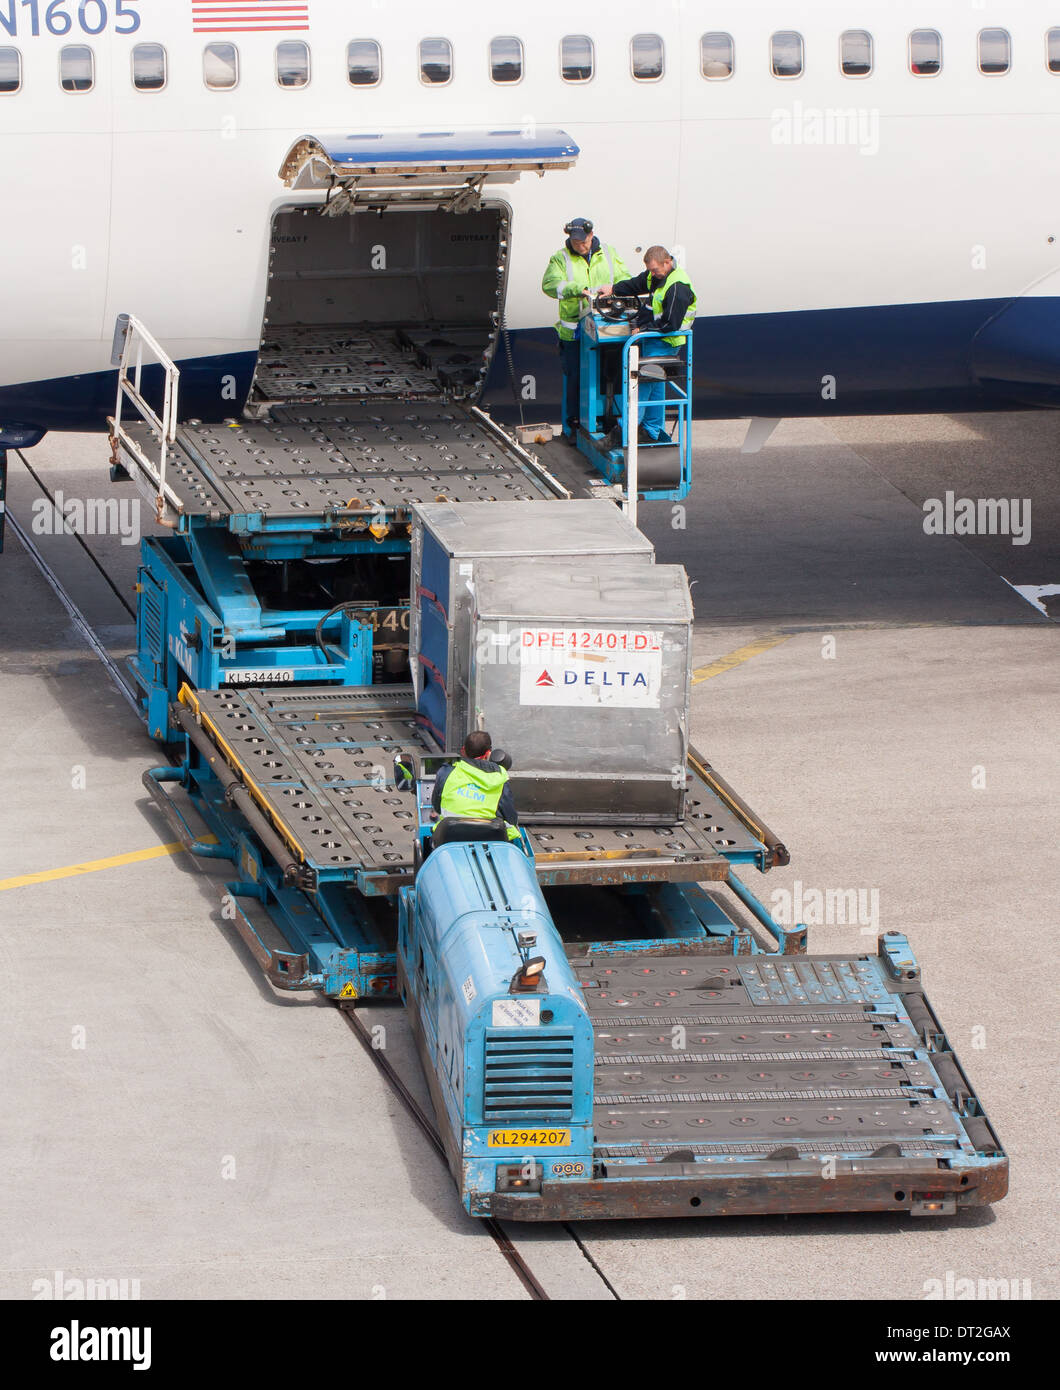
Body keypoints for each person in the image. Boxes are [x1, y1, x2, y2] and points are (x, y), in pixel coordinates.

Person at [541, 218, 630, 439]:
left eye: (582, 241)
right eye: (575, 241)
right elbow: (550, 285)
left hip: (606, 325)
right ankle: (573, 425)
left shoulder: (608, 254)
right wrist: (577, 289)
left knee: (609, 376)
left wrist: (613, 289)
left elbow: (625, 278)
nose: (579, 245)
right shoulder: (561, 258)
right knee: (575, 379)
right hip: (574, 331)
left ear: (591, 235)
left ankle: (610, 421)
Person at [611, 246, 697, 443]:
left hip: (666, 342)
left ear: (667, 262)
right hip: (654, 340)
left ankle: (626, 430)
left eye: (655, 270)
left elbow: (670, 324)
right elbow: (639, 283)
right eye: (650, 270)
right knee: (657, 385)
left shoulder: (677, 287)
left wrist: (643, 329)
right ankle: (651, 429)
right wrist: (614, 290)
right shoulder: (658, 276)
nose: (652, 274)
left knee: (643, 383)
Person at [432, 730, 521, 843]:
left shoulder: (446, 772)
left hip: (449, 837)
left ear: (463, 750)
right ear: (488, 753)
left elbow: (436, 805)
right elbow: (510, 817)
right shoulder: (499, 779)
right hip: (491, 838)